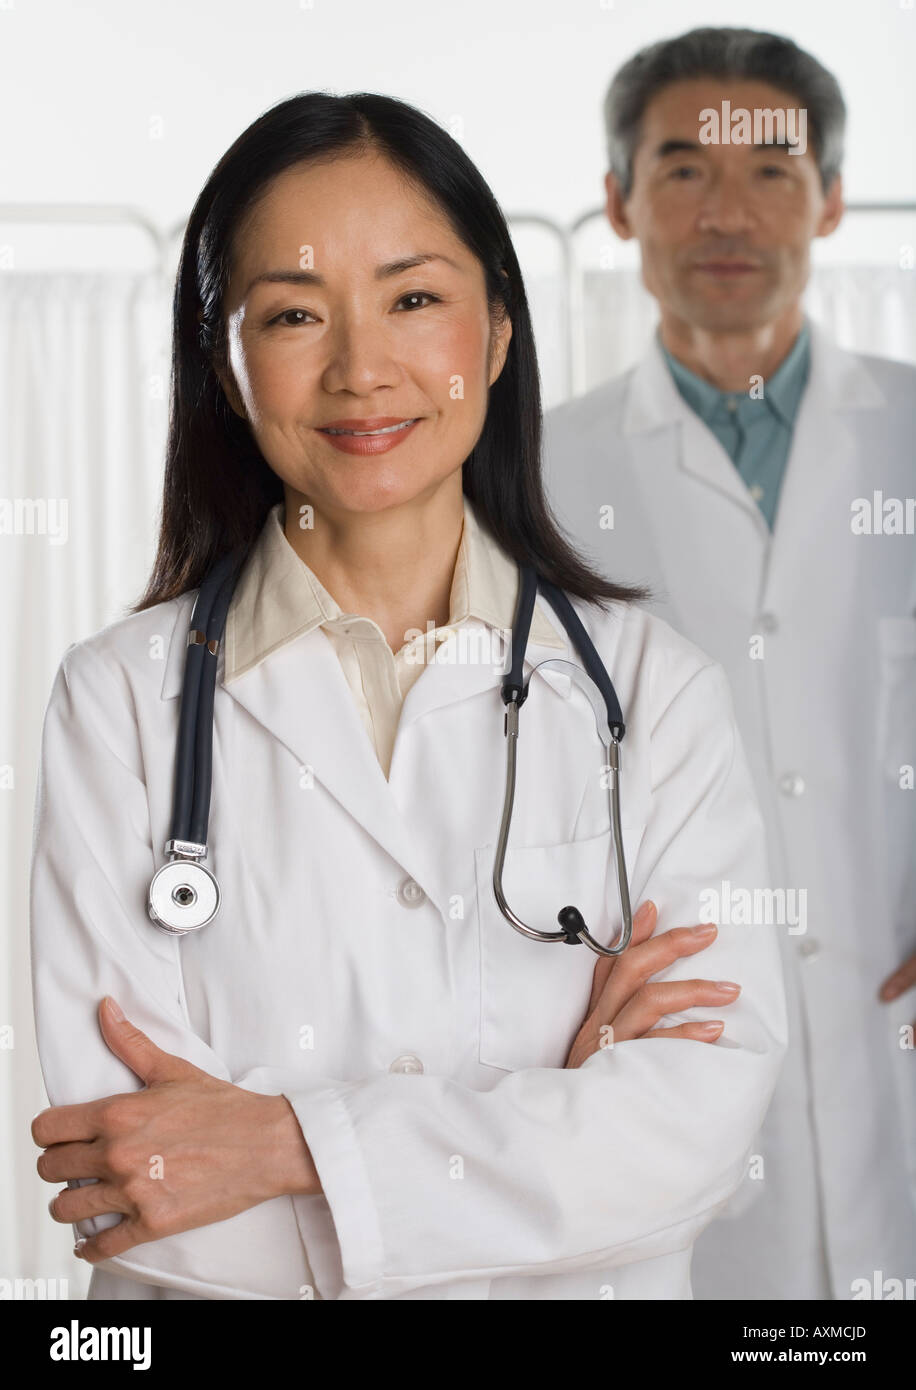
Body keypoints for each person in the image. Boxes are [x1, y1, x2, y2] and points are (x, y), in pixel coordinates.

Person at [29, 91, 785, 1301]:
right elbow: (142, 1181)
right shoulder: (119, 702)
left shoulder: (654, 694)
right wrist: (549, 1129)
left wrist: (283, 1143)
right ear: (224, 361)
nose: (360, 368)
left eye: (413, 298)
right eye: (291, 313)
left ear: (493, 330)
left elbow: (690, 1137)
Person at [543, 27, 916, 1301]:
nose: (727, 212)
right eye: (683, 168)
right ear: (617, 201)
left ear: (829, 197)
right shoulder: (532, 477)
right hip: (665, 1052)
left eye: (769, 171)